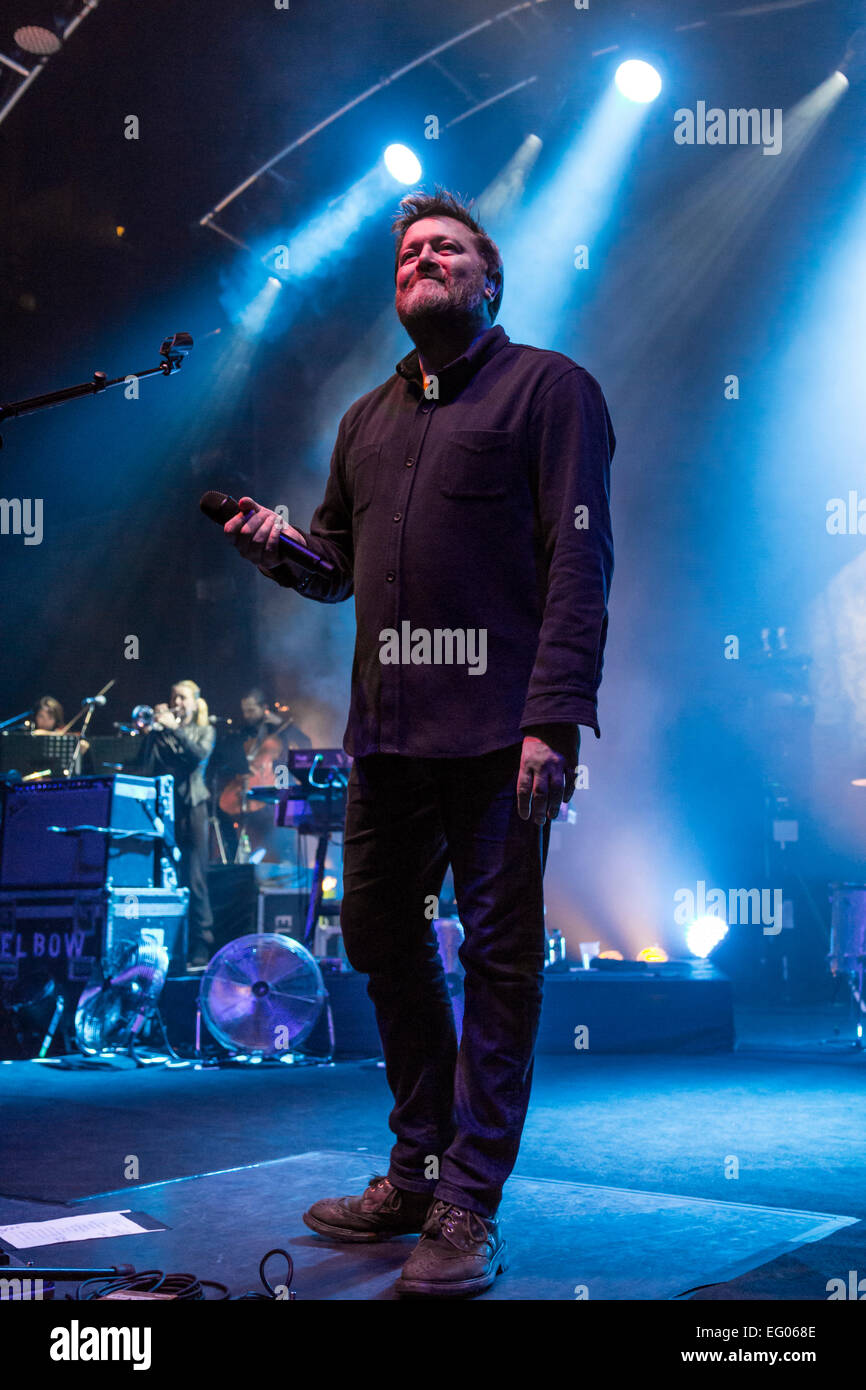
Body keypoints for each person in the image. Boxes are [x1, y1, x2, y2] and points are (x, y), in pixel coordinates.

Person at [223, 189, 615, 1297]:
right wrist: (275, 549)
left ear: (489, 281)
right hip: (388, 738)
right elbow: (333, 569)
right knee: (378, 939)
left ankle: (466, 1202)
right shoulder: (364, 421)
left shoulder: (551, 390)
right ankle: (419, 1165)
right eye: (405, 254)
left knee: (496, 961)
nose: (420, 260)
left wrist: (554, 716)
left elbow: (578, 566)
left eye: (444, 248)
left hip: (500, 736)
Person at [136, 680, 216, 967]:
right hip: (164, 809)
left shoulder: (205, 730)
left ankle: (201, 945)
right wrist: (150, 734)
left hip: (192, 809)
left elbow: (197, 755)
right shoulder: (163, 733)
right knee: (162, 877)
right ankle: (165, 942)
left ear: (195, 702)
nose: (177, 702)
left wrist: (173, 728)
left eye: (182, 698)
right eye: (173, 697)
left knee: (195, 879)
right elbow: (146, 764)